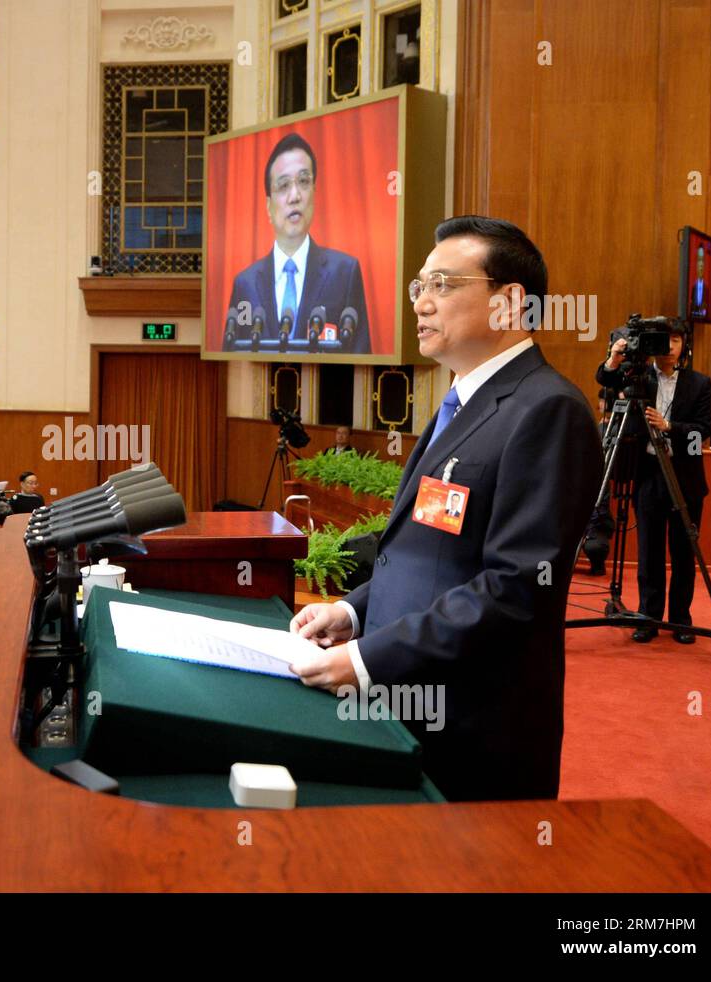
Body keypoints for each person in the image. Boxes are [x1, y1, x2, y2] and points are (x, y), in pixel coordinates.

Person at [287, 215, 602, 802]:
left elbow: (515, 589)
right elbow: (429, 553)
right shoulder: (461, 403)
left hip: (472, 734)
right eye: (418, 288)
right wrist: (354, 615)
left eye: (443, 286)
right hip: (405, 713)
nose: (421, 305)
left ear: (509, 302)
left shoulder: (547, 410)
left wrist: (366, 659)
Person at [597, 321, 711, 644]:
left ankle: (680, 620)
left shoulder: (700, 383)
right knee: (649, 551)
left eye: (675, 339)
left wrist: (669, 426)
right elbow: (605, 381)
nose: (670, 346)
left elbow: (702, 429)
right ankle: (648, 617)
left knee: (683, 551)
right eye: (664, 340)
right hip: (649, 474)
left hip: (685, 478)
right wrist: (614, 359)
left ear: (683, 345)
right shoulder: (641, 377)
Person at [226, 133, 370, 352]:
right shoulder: (245, 284)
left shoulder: (344, 273)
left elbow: (360, 355)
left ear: (314, 191)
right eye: (283, 186)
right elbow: (235, 356)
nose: (295, 196)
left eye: (303, 182)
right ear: (268, 206)